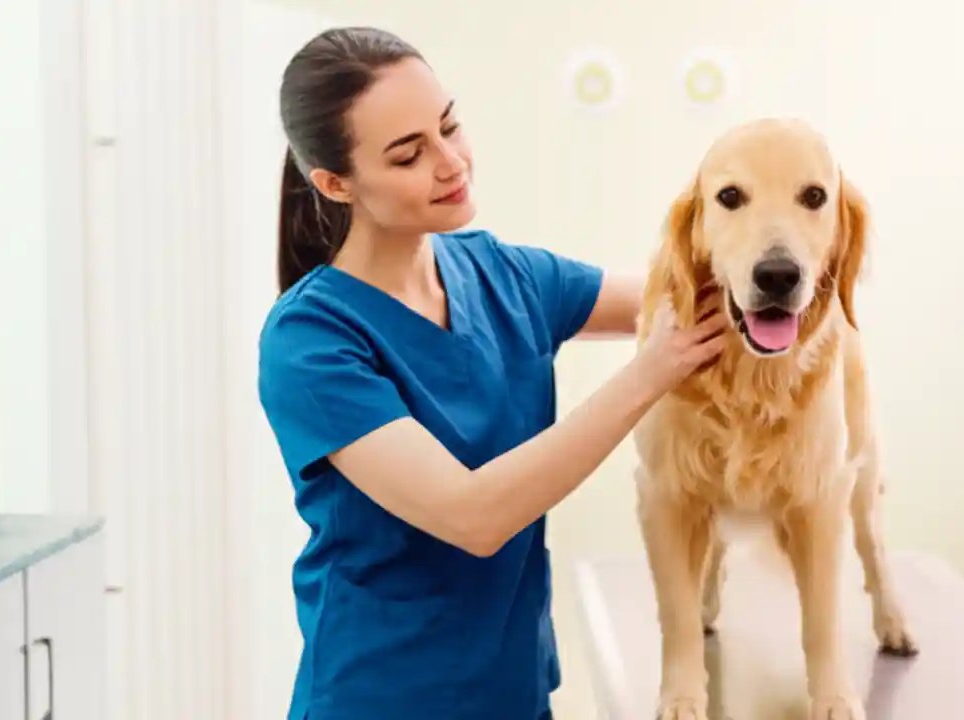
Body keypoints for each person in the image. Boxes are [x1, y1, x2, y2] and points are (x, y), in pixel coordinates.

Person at [257, 26, 725, 720]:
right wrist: (651, 372)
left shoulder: (503, 273)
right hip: (380, 701)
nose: (451, 163)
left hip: (514, 696)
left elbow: (686, 296)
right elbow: (475, 516)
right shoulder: (312, 339)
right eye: (409, 154)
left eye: (449, 127)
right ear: (334, 183)